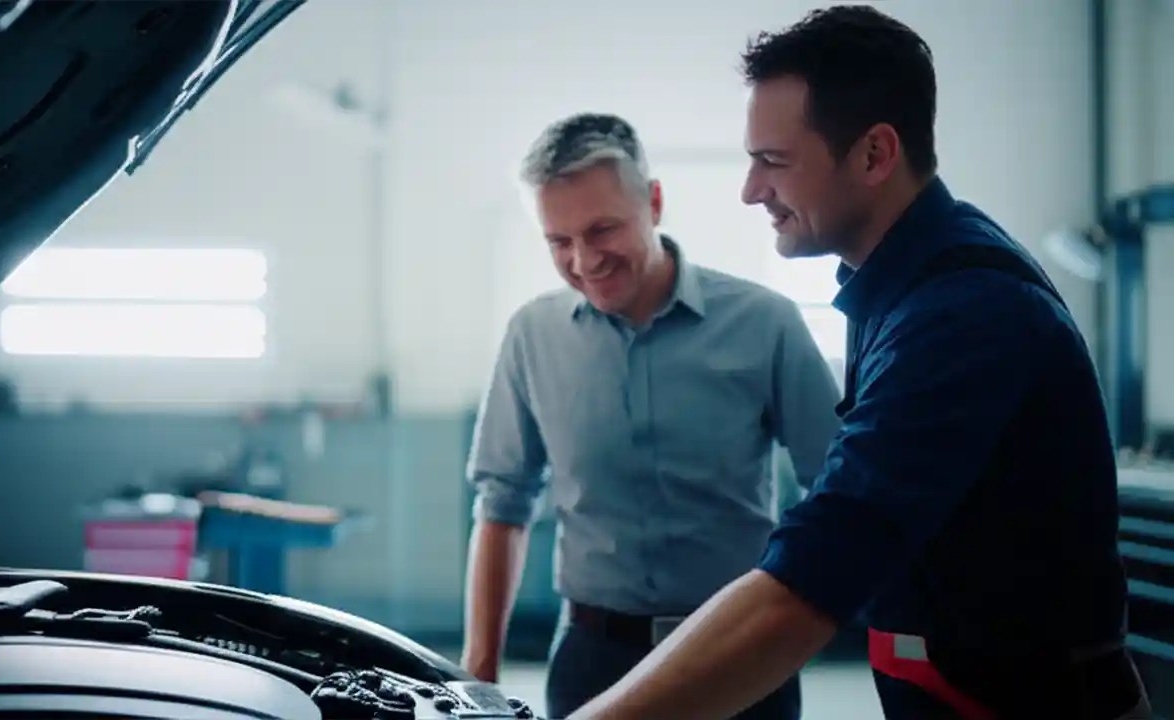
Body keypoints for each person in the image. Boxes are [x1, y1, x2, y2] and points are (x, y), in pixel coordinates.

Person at [565, 6, 1153, 720]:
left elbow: (807, 585)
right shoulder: (909, 292)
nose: (751, 190)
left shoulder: (964, 313)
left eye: (773, 162)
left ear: (875, 155)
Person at [461, 112, 842, 720]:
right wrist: (478, 673)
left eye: (602, 229)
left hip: (739, 655)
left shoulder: (764, 324)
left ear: (655, 202)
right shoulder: (532, 335)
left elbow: (840, 490)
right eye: (558, 242)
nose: (584, 261)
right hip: (592, 659)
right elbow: (501, 506)